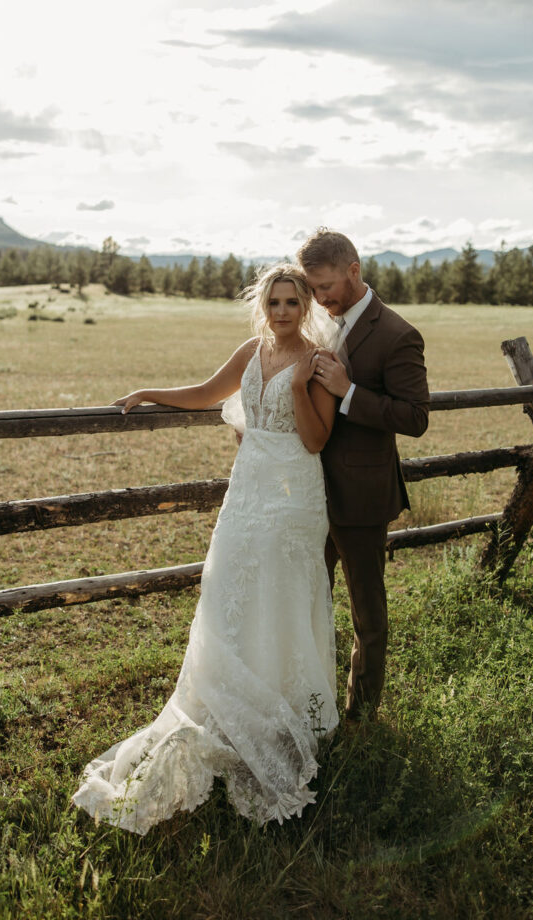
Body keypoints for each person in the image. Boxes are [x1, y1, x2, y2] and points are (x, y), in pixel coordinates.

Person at [72, 265, 339, 834]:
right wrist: (148, 392)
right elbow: (204, 393)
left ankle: (285, 711)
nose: (283, 311)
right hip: (246, 493)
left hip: (293, 495)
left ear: (307, 306)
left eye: (293, 302)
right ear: (262, 305)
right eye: (275, 301)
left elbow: (317, 440)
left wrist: (297, 387)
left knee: (282, 595)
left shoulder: (316, 361)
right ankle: (227, 695)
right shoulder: (250, 349)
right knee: (228, 589)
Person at [297, 229, 429, 724]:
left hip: (361, 497)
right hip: (306, 492)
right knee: (307, 601)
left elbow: (415, 417)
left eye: (326, 285)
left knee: (366, 616)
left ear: (354, 270)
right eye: (312, 288)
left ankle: (360, 718)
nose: (319, 297)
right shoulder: (314, 320)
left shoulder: (397, 333)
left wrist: (349, 393)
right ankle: (310, 706)